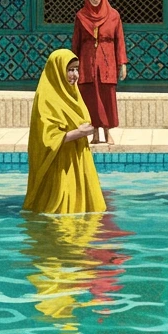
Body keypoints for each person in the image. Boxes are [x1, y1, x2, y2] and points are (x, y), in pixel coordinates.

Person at [23, 49, 107, 214]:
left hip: (77, 158)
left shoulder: (73, 93)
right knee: (59, 212)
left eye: (77, 69)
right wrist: (80, 132)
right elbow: (47, 138)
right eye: (70, 70)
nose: (75, 75)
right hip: (59, 164)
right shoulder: (46, 97)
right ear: (57, 70)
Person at [71, 0, 127, 145]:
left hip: (107, 61)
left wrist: (122, 62)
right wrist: (73, 65)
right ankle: (94, 133)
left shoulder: (113, 15)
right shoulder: (81, 16)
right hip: (87, 61)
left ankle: (108, 133)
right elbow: (76, 42)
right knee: (90, 97)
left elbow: (120, 40)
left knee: (106, 96)